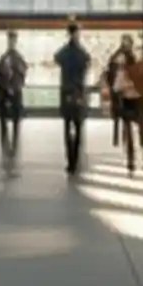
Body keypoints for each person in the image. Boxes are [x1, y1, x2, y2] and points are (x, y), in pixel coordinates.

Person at [112, 35, 143, 175]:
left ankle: (131, 161)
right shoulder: (141, 66)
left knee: (128, 132)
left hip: (127, 102)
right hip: (140, 102)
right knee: (142, 128)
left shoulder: (122, 70)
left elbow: (116, 87)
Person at [54, 23, 91, 176]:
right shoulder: (81, 53)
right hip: (78, 92)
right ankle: (73, 159)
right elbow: (87, 63)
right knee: (77, 125)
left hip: (66, 91)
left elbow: (56, 58)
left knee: (68, 126)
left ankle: (71, 161)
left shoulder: (64, 53)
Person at [0, 31, 29, 174]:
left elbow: (23, 73)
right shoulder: (4, 59)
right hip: (5, 93)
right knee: (4, 121)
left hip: (15, 93)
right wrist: (6, 86)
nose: (12, 43)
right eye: (10, 40)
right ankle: (5, 145)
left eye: (13, 40)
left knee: (15, 121)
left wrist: (15, 85)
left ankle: (13, 145)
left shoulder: (18, 58)